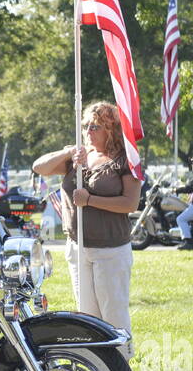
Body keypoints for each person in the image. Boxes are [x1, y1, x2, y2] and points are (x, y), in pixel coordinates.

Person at [31, 102, 139, 353]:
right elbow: (39, 167)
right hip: (78, 247)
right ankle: (95, 361)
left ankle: (121, 363)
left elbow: (130, 203)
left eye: (95, 126)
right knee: (86, 314)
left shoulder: (125, 159)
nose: (88, 131)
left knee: (113, 311)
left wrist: (90, 200)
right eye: (85, 126)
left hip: (111, 249)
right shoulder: (77, 158)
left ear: (111, 129)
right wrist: (68, 152)